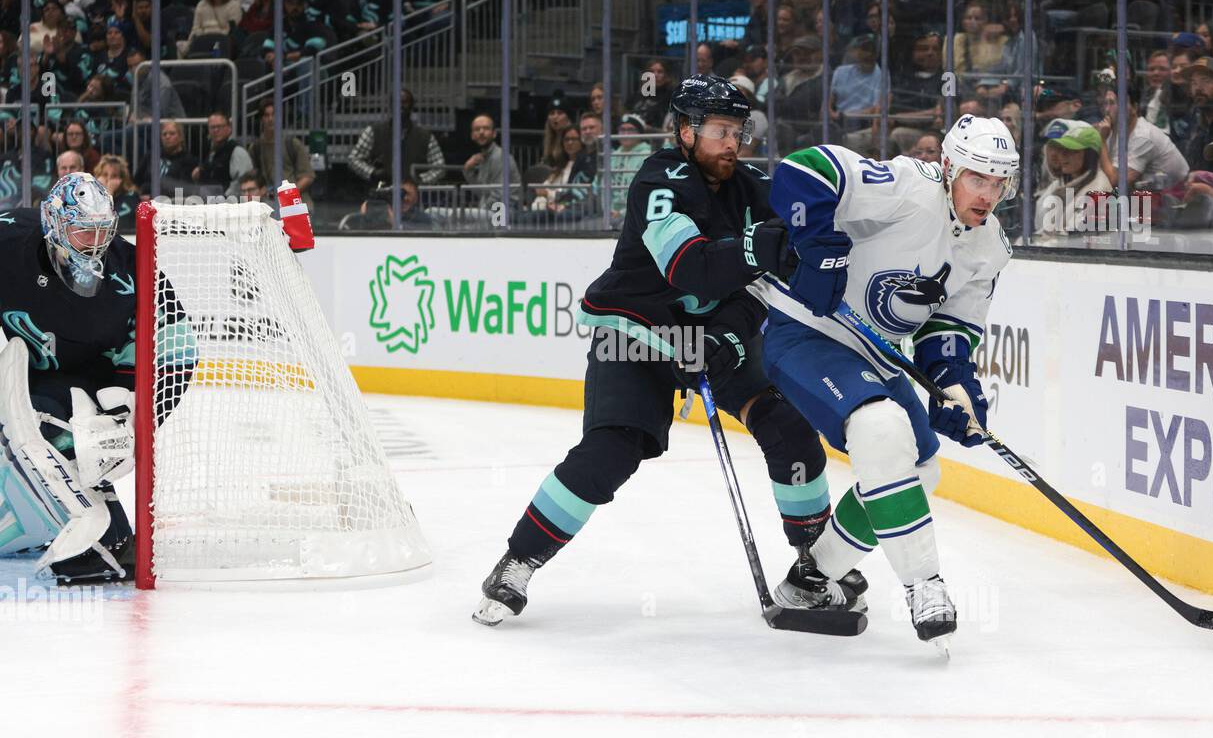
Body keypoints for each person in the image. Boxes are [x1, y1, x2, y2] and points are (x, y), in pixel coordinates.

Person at [474, 76, 848, 626]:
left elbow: (767, 287)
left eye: (738, 131)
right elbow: (687, 266)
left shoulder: (753, 187)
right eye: (720, 131)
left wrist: (729, 331)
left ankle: (813, 569)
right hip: (637, 333)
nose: (731, 143)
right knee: (611, 452)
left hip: (714, 334)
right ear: (684, 131)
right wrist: (759, 247)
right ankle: (518, 560)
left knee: (790, 429)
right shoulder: (660, 181)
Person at [755, 115, 1022, 646]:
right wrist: (819, 244)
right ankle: (924, 585)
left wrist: (955, 384)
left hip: (874, 353)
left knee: (922, 470)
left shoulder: (989, 247)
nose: (987, 194)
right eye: (976, 178)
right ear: (948, 168)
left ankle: (812, 579)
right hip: (807, 331)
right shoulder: (909, 188)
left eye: (999, 182)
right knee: (881, 429)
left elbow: (949, 330)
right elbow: (801, 172)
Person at [0, 173, 144, 584]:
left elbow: (176, 347)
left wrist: (134, 405)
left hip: (89, 383)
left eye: (102, 231)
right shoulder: (9, 239)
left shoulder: (129, 267)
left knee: (61, 432)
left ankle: (100, 539)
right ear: (54, 223)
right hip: (20, 377)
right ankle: (46, 520)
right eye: (83, 230)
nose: (95, 243)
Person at [347, 88, 447, 187]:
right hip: (380, 193)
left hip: (415, 195)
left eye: (405, 102)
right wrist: (373, 173)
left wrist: (420, 179)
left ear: (412, 106)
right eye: (396, 103)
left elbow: (440, 167)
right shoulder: (373, 131)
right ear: (391, 106)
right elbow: (354, 159)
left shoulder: (425, 136)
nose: (401, 106)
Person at [1033, 119, 1113, 236]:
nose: (1063, 156)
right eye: (1063, 149)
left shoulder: (1098, 192)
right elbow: (1040, 225)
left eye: (1073, 151)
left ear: (1089, 156)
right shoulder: (1061, 184)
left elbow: (1073, 240)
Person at [249, 100, 316, 206]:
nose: (270, 119)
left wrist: (287, 195)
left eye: (274, 115)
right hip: (268, 203)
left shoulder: (292, 144)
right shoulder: (256, 147)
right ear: (262, 118)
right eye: (267, 115)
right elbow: (253, 177)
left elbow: (307, 177)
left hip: (296, 203)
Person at [192, 111, 254, 198]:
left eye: (219, 127)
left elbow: (243, 182)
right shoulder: (211, 152)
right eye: (212, 127)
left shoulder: (237, 151)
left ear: (229, 128)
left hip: (230, 205)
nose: (216, 130)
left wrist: (224, 199)